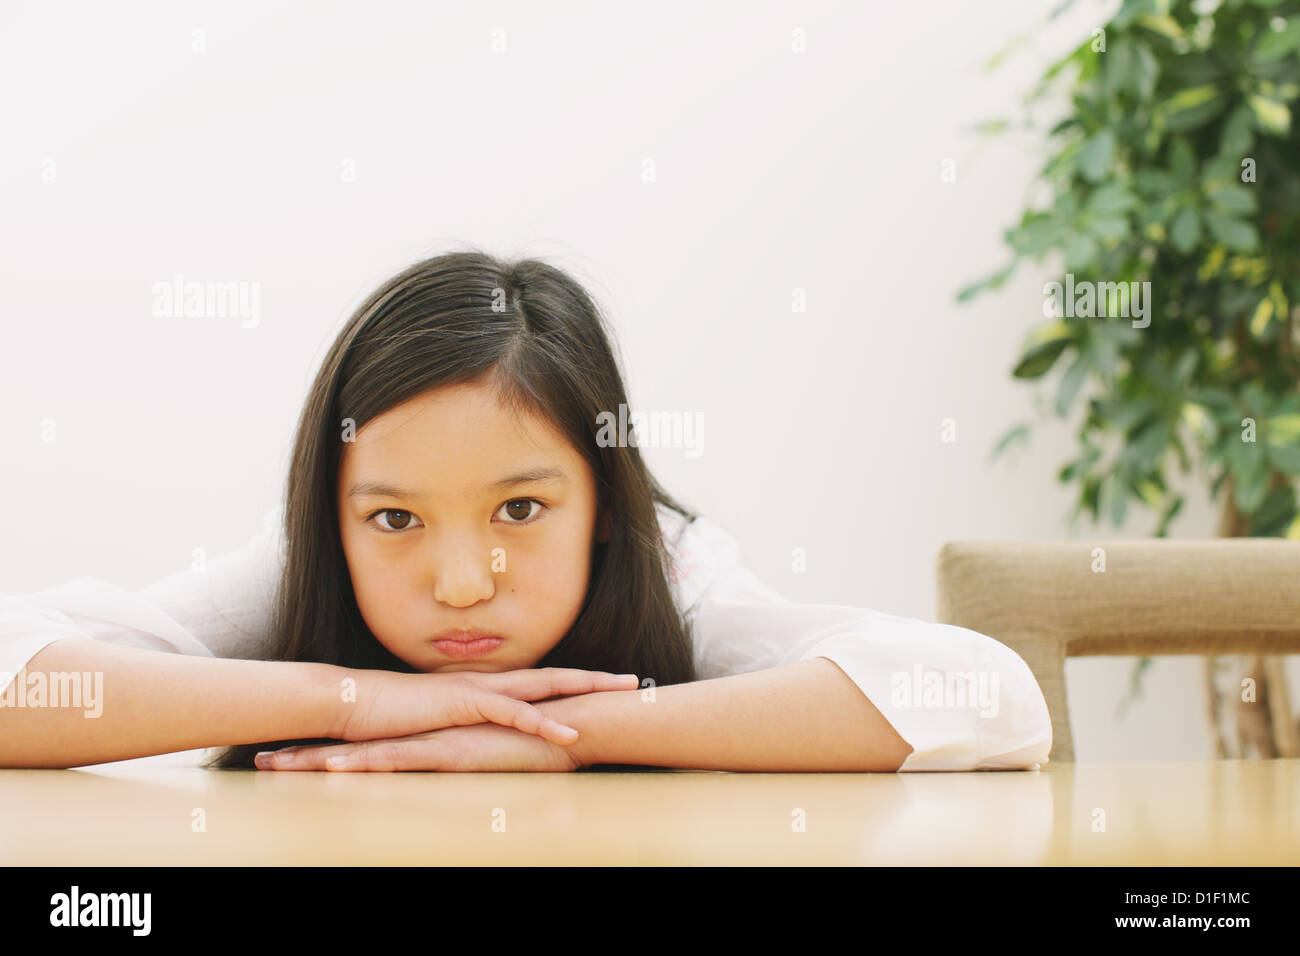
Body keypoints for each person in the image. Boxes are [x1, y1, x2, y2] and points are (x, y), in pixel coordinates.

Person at [0, 249, 1051, 772]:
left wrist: (551, 735)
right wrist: (353, 703)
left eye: (518, 507)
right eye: (395, 519)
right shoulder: (302, 573)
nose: (461, 580)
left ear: (603, 501)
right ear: (336, 513)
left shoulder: (673, 572)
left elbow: (991, 694)